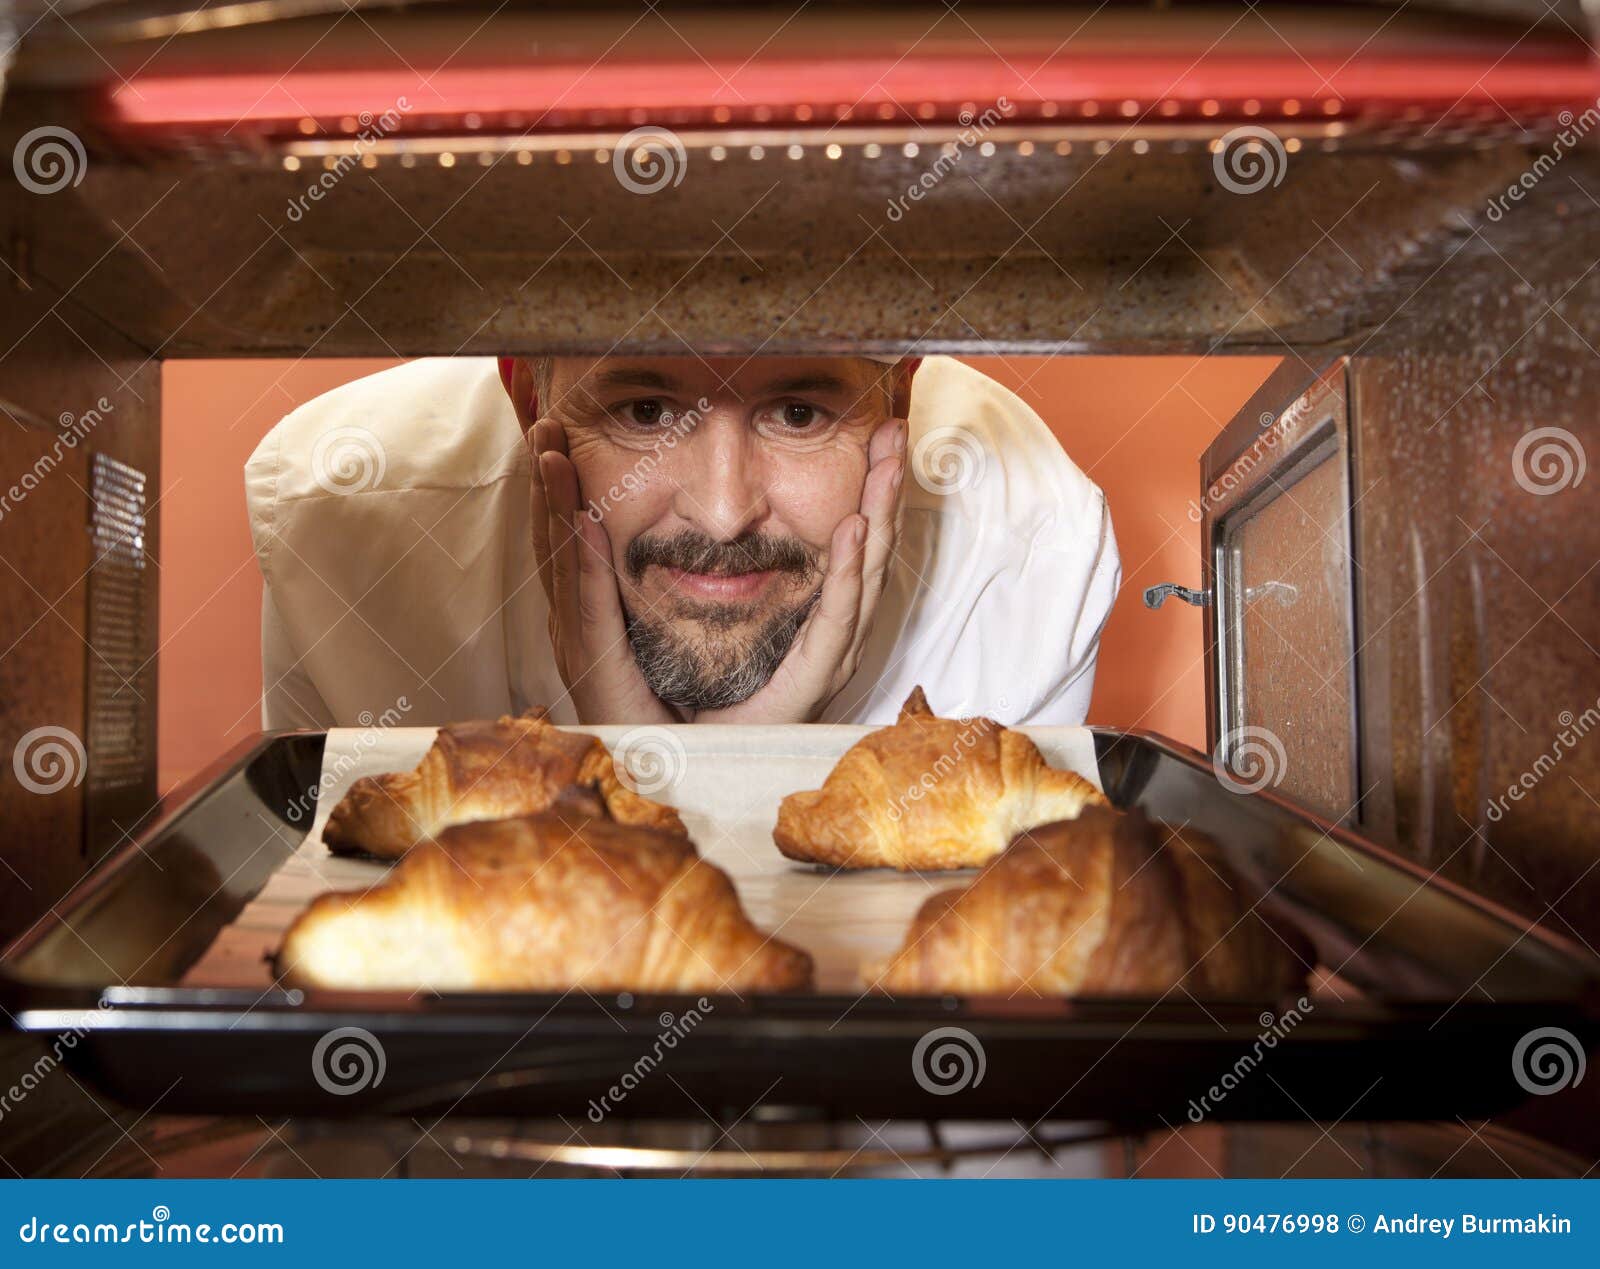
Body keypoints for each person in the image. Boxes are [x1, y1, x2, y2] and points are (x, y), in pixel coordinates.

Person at [246, 353, 1119, 728]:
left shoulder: (1028, 552)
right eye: (646, 411)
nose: (723, 511)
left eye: (799, 412)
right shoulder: (342, 518)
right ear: (528, 402)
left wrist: (741, 773)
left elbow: (972, 1080)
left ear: (899, 402)